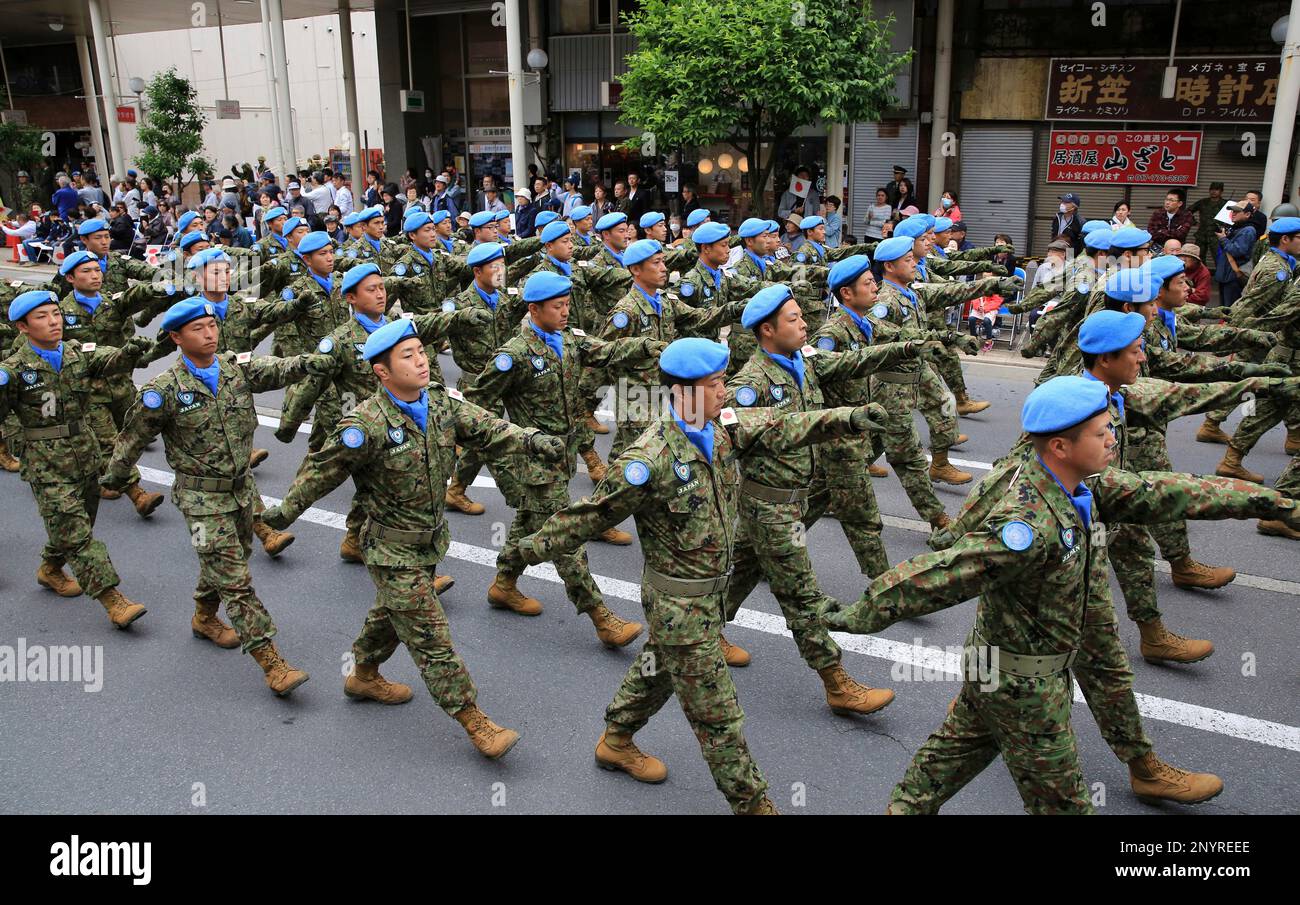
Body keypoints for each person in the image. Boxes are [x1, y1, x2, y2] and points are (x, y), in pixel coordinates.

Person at [825, 373, 1298, 814]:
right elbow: (944, 573)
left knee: (947, 761)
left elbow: (1167, 490)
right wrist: (856, 614)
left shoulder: (1084, 486)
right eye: (1101, 433)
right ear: (1060, 446)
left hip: (1005, 670)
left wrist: (1268, 501)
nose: (1113, 438)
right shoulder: (1028, 525)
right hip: (1024, 689)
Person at [518, 337, 891, 814]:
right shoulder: (647, 462)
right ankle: (754, 803)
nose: (724, 391)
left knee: (657, 670)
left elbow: (781, 423)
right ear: (682, 393)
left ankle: (616, 737)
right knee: (720, 719)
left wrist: (850, 417)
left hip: (709, 597)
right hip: (678, 605)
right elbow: (589, 516)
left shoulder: (721, 428)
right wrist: (525, 551)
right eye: (715, 384)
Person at [262, 318, 567, 759]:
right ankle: (473, 719)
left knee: (391, 612)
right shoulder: (363, 425)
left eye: (422, 352)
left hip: (429, 542)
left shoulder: (440, 403)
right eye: (408, 356)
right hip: (389, 550)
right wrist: (282, 514)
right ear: (382, 372)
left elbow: (488, 428)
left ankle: (363, 673)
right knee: (431, 636)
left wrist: (532, 440)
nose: (422, 361)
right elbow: (320, 473)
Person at [104, 298, 333, 693]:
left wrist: (313, 361)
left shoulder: (233, 368)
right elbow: (132, 438)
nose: (209, 334)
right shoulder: (164, 390)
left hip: (243, 492)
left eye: (211, 326)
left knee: (231, 561)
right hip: (200, 502)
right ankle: (271, 661)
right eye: (197, 329)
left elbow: (276, 369)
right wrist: (116, 476)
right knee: (237, 580)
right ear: (176, 337)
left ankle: (204, 618)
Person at [722, 283, 926, 691]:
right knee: (801, 596)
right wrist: (844, 417)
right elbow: (748, 431)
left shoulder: (804, 361)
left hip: (794, 499)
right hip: (769, 507)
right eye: (794, 319)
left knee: (742, 570)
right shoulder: (750, 384)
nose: (804, 325)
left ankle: (701, 631)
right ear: (766, 330)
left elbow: (852, 361)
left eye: (801, 316)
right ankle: (836, 682)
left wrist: (900, 349)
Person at [468, 270, 664, 639]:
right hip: (534, 460)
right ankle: (601, 617)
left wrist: (647, 346)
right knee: (565, 536)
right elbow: (478, 403)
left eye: (567, 304)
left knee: (531, 521)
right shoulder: (515, 355)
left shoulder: (569, 340)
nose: (564, 312)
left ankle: (504, 583)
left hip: (563, 453)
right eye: (557, 306)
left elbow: (604, 350)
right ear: (533, 309)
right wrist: (506, 446)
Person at [0, 290, 153, 628]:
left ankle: (50, 569)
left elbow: (110, 360)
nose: (54, 321)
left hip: (85, 454)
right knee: (76, 531)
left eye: (55, 314)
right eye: (41, 317)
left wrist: (130, 352)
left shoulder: (75, 353)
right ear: (23, 327)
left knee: (77, 521)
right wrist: (18, 441)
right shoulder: (13, 370)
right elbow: (5, 415)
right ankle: (112, 599)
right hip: (45, 463)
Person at [1213, 201, 1258, 307]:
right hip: (1227, 275)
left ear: (1247, 214)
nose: (1233, 213)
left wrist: (1223, 239)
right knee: (1224, 307)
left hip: (1233, 276)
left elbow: (1236, 251)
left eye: (1237, 211)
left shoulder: (1248, 230)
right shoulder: (1237, 229)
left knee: (1231, 308)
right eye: (1233, 211)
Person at [1189, 182, 1226, 263]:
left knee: (1219, 257)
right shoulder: (1203, 202)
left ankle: (1219, 275)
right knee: (1198, 257)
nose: (1213, 192)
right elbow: (1188, 212)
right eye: (1211, 189)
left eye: (1216, 189)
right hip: (1202, 233)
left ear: (1221, 191)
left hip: (1216, 235)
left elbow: (1232, 218)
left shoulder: (1225, 204)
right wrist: (1194, 222)